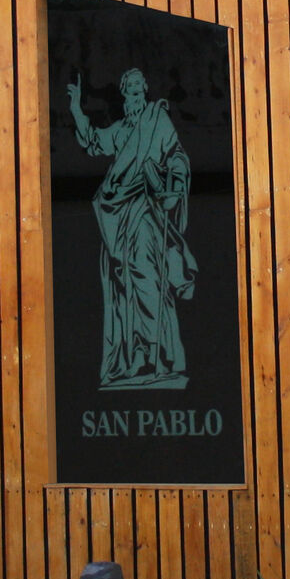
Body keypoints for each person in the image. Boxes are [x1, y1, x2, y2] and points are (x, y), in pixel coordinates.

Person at [66, 68, 196, 389]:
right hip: (115, 215)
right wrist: (75, 109)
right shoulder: (122, 129)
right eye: (129, 91)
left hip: (145, 210)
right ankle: (132, 356)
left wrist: (174, 185)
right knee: (123, 285)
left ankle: (152, 354)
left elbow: (176, 155)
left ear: (145, 91)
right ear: (124, 96)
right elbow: (94, 142)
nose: (134, 95)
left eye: (139, 89)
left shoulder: (157, 120)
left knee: (145, 278)